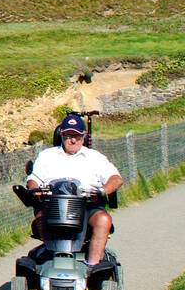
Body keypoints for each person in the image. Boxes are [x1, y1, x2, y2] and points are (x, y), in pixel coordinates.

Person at [26, 113, 123, 268]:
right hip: (54, 206)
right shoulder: (47, 156)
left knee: (103, 220)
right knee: (40, 216)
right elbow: (33, 179)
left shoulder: (94, 157)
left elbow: (116, 179)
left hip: (87, 206)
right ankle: (51, 257)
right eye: (68, 135)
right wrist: (35, 189)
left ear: (83, 137)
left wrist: (103, 191)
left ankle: (92, 266)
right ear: (62, 135)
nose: (72, 140)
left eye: (77, 136)